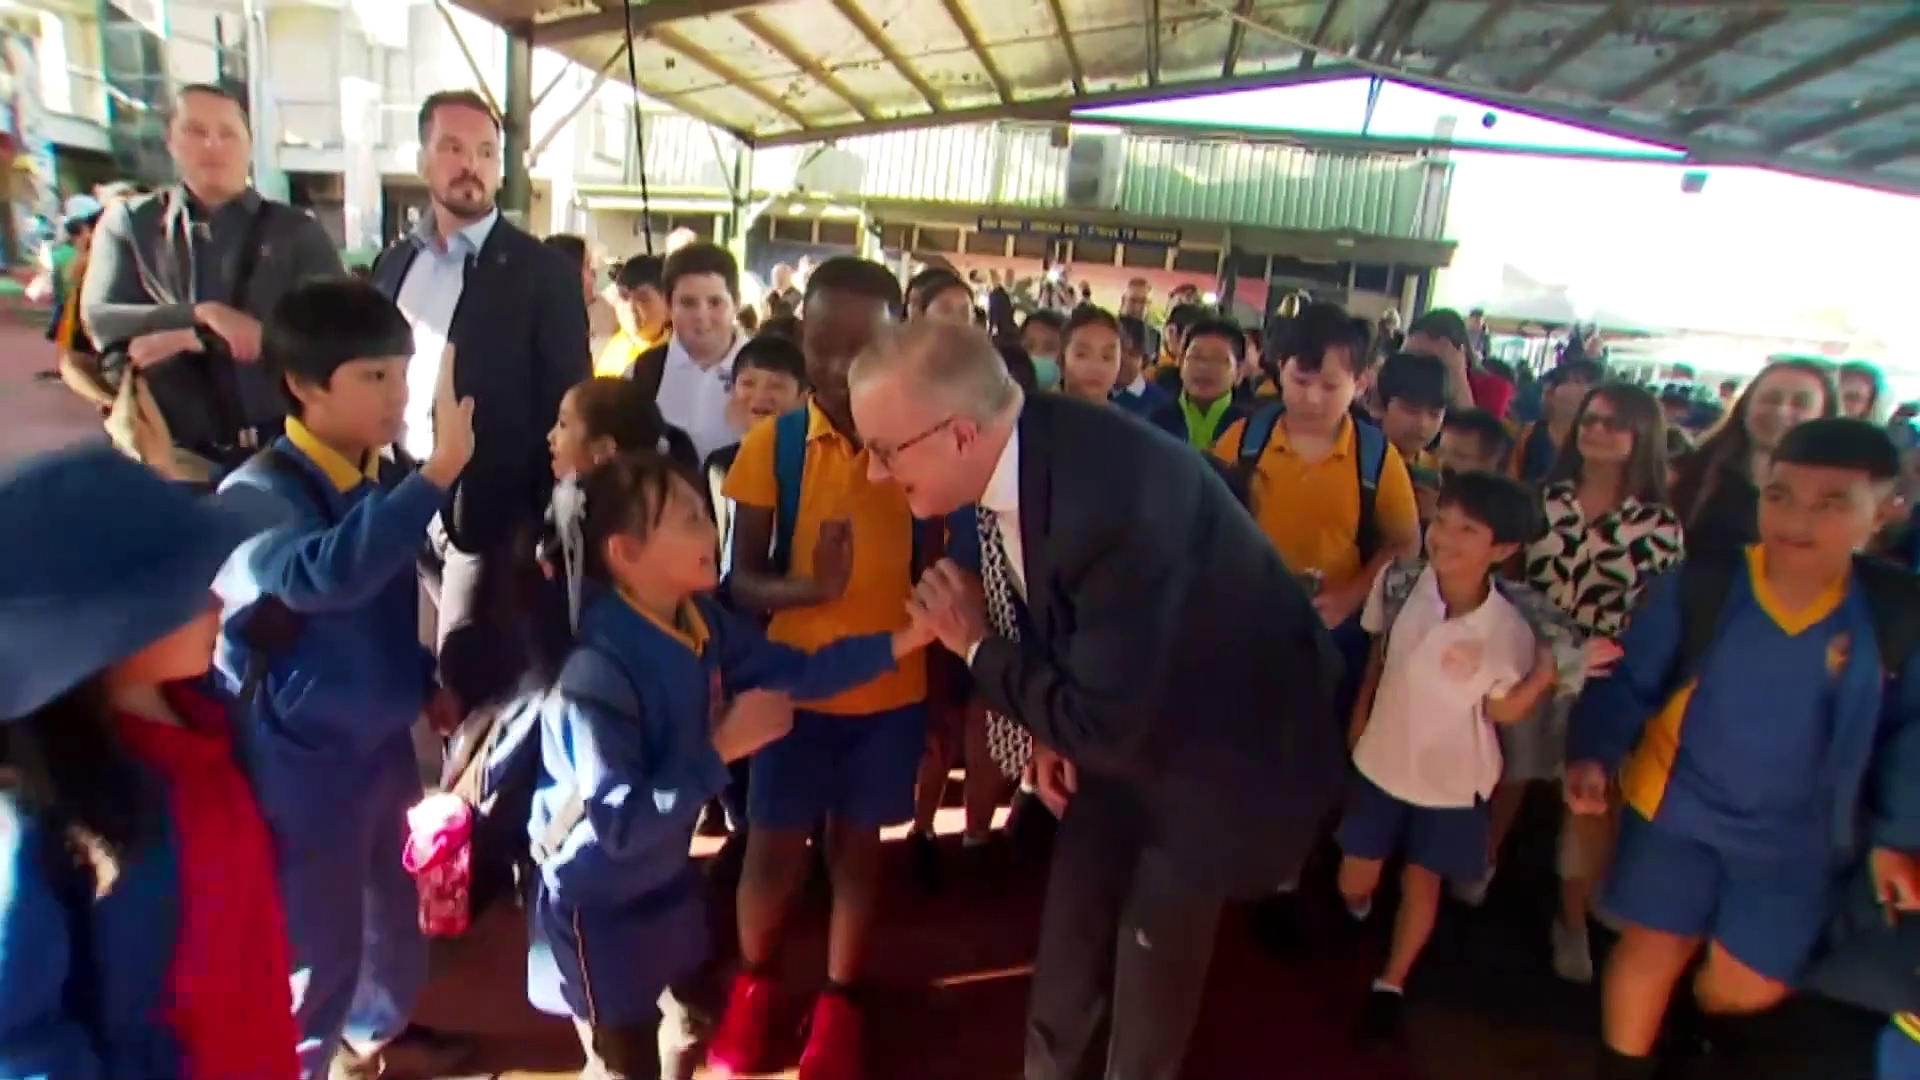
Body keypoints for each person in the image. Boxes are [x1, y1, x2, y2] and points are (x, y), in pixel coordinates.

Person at [853, 319, 1346, 1080]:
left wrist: (976, 644)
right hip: (1118, 715)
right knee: (1073, 940)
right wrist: (1054, 728)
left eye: (885, 449)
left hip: (1223, 752)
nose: (874, 473)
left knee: (1151, 971)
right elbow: (1070, 624)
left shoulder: (1110, 500)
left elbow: (1104, 717)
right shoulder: (1023, 443)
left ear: (958, 434)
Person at [525, 452, 932, 1080]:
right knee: (622, 1059)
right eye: (689, 520)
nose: (712, 532)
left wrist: (908, 638)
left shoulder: (700, 622)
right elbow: (620, 826)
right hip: (597, 899)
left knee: (688, 1022)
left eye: (705, 514)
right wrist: (721, 752)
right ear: (626, 554)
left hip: (662, 881)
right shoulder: (596, 672)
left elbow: (799, 670)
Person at [1568, 417, 1920, 1080]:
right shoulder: (1710, 584)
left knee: (1748, 985)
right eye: (1780, 495)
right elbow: (1636, 678)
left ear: (1888, 509)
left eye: (1831, 504)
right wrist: (1593, 752)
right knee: (1653, 945)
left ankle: (1689, 1028)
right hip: (1676, 809)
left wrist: (1898, 836)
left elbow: (1913, 737)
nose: (1797, 519)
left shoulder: (1896, 613)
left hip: (1803, 839)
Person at [215, 280, 476, 1080]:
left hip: (377, 752)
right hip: (300, 764)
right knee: (312, 949)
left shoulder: (376, 475)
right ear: (302, 384)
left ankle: (362, 1048)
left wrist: (422, 678)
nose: (398, 397)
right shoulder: (259, 493)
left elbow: (381, 609)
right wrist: (435, 476)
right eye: (374, 378)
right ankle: (301, 1059)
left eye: (402, 374)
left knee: (390, 934)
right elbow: (327, 579)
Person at [0, 445, 297, 1080]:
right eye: (190, 590)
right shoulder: (37, 815)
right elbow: (21, 1041)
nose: (219, 602)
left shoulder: (210, 715)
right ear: (109, 630)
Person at [367, 88, 590, 712]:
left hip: (492, 517)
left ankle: (478, 800)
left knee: (475, 671)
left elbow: (569, 397)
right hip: (396, 493)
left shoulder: (541, 272)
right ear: (423, 160)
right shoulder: (395, 265)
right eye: (453, 148)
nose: (472, 164)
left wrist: (545, 523)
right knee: (404, 657)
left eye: (487, 152)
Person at [1340, 470, 1558, 1044]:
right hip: (1382, 760)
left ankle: (1392, 981)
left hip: (1453, 777)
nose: (1445, 537)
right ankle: (1358, 908)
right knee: (1353, 876)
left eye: (1468, 530)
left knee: (1423, 879)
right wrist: (1360, 716)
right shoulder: (1401, 581)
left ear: (1503, 550)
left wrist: (1544, 678)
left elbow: (1503, 710)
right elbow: (1381, 651)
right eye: (1442, 521)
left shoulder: (1507, 629)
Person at [80, 84, 343, 472]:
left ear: (249, 145)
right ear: (172, 140)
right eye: (196, 131)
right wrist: (201, 317)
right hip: (165, 452)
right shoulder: (130, 224)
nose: (212, 145)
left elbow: (337, 335)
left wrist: (189, 337)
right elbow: (102, 321)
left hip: (279, 452)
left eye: (227, 133)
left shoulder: (296, 232)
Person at [597, 255, 669, 377]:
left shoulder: (683, 351)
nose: (631, 308)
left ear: (669, 307)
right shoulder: (610, 356)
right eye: (624, 297)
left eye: (643, 298)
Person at [1057, 306, 1123, 406]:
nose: (1096, 367)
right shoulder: (1034, 415)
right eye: (1082, 355)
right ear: (1062, 358)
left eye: (1107, 357)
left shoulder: (1123, 421)